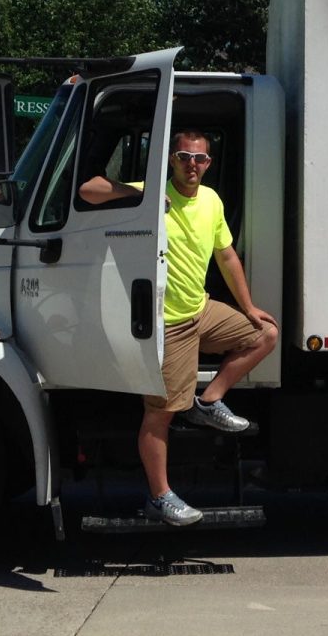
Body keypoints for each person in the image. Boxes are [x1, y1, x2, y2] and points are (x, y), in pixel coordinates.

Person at [79, 130, 277, 525]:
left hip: (200, 309)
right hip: (167, 324)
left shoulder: (212, 200)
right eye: (185, 156)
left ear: (209, 164)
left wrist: (249, 306)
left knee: (265, 334)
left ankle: (208, 402)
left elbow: (226, 255)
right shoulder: (151, 192)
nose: (192, 164)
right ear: (172, 160)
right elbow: (87, 190)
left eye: (200, 158)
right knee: (161, 413)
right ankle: (160, 497)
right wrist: (136, 195)